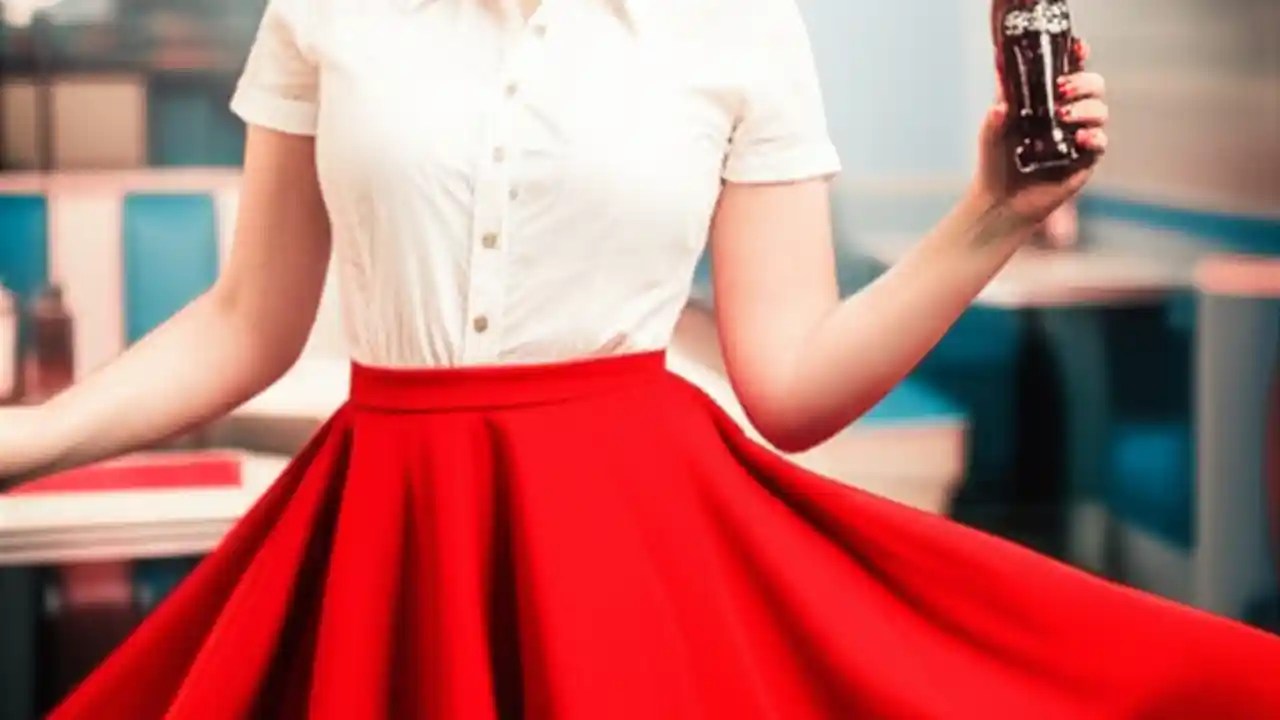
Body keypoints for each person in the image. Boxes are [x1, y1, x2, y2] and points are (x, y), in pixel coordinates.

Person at [5, 0, 1279, 717]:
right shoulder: (326, 11)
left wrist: (990, 216)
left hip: (629, 551)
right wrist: (19, 448)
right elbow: (246, 323)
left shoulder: (737, 27)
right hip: (383, 537)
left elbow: (790, 388)